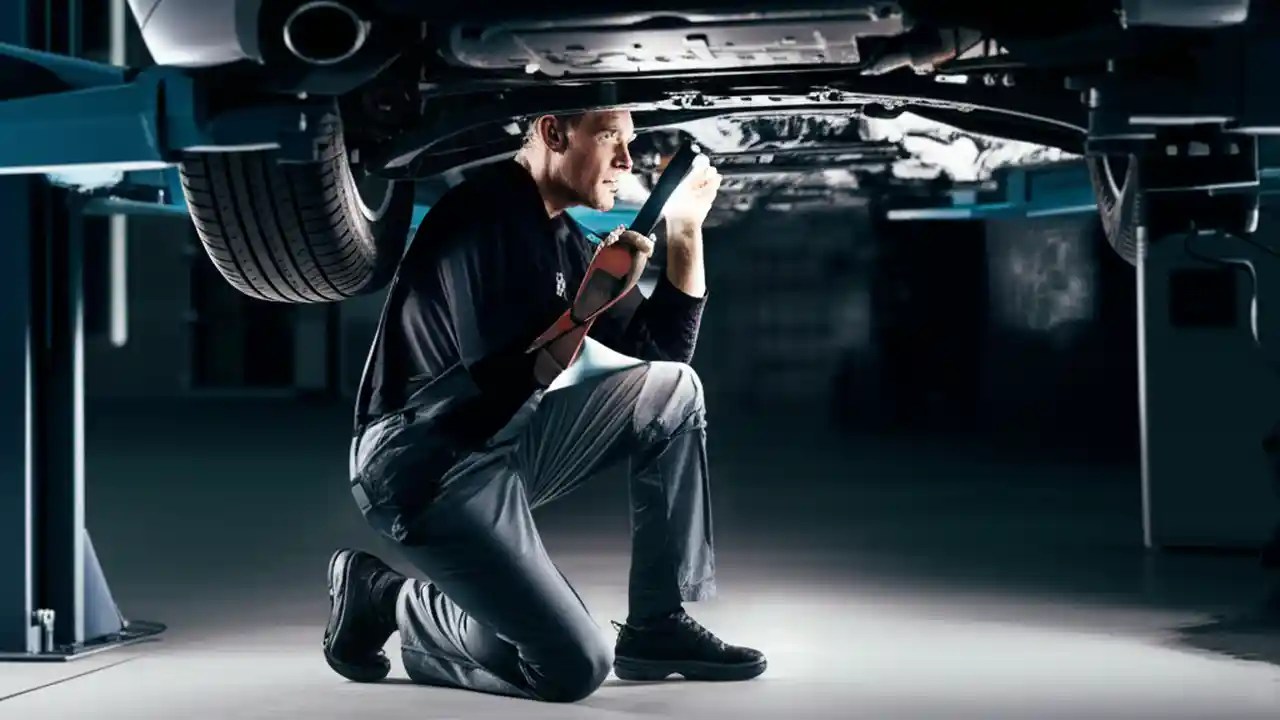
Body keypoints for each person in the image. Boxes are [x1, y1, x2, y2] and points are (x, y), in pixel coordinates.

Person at [324, 108, 766, 703]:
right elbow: (497, 383)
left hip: (502, 444)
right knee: (571, 668)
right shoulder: (485, 213)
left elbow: (661, 357)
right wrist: (587, 309)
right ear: (553, 133)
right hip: (422, 462)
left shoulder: (566, 238)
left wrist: (685, 230)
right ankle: (387, 598)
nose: (627, 162)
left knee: (674, 391)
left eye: (630, 143)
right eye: (611, 138)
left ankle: (657, 625)